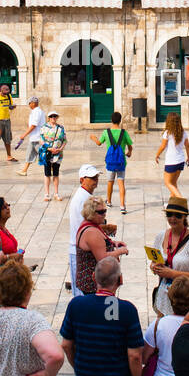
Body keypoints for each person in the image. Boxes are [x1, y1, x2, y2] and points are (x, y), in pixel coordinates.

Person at [150, 196, 189, 318]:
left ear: (185, 217)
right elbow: (154, 261)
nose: (173, 219)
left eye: (178, 215)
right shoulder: (160, 236)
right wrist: (155, 267)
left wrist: (172, 274)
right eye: (169, 214)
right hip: (164, 295)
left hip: (185, 297)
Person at [74, 196, 128, 295]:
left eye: (105, 211)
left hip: (91, 282)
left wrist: (113, 243)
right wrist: (121, 251)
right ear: (91, 213)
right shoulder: (91, 232)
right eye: (100, 212)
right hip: (93, 286)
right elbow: (102, 258)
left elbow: (99, 244)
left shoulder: (90, 225)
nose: (104, 214)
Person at [90, 112, 133, 213]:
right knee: (121, 182)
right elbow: (130, 145)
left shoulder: (106, 132)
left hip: (110, 162)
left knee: (110, 182)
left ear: (111, 120)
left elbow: (99, 143)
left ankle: (109, 201)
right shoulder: (124, 132)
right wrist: (129, 152)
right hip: (121, 162)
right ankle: (122, 206)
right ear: (120, 120)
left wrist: (93, 137)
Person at [67, 165, 100, 294]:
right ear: (82, 179)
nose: (95, 181)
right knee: (81, 294)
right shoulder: (83, 199)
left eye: (96, 177)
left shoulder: (85, 196)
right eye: (92, 178)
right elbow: (88, 228)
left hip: (83, 251)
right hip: (79, 252)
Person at [155, 113, 189, 198]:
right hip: (180, 161)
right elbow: (187, 146)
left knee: (168, 183)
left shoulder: (167, 133)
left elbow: (163, 146)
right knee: (173, 183)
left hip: (171, 161)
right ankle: (172, 204)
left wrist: (157, 155)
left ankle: (180, 198)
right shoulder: (183, 133)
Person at [39, 109, 66, 199]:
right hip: (47, 153)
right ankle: (47, 194)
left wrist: (60, 149)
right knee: (47, 174)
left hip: (58, 154)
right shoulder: (44, 127)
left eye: (55, 116)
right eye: (51, 116)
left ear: (57, 117)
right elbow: (41, 140)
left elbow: (65, 140)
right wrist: (49, 148)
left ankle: (56, 193)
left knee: (56, 173)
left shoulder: (61, 128)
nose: (53, 118)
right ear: (49, 118)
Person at [15, 97, 45, 177]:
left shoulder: (37, 112)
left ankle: (52, 169)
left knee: (43, 154)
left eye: (29, 103)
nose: (29, 105)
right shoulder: (36, 111)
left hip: (37, 138)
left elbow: (33, 125)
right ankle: (24, 170)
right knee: (30, 154)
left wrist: (24, 135)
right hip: (34, 137)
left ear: (33, 103)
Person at [0, 84, 17, 162]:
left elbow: (9, 106)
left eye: (8, 91)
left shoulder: (9, 96)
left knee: (8, 139)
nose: (7, 93)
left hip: (7, 120)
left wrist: (12, 107)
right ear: (1, 90)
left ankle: (9, 156)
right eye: (5, 92)